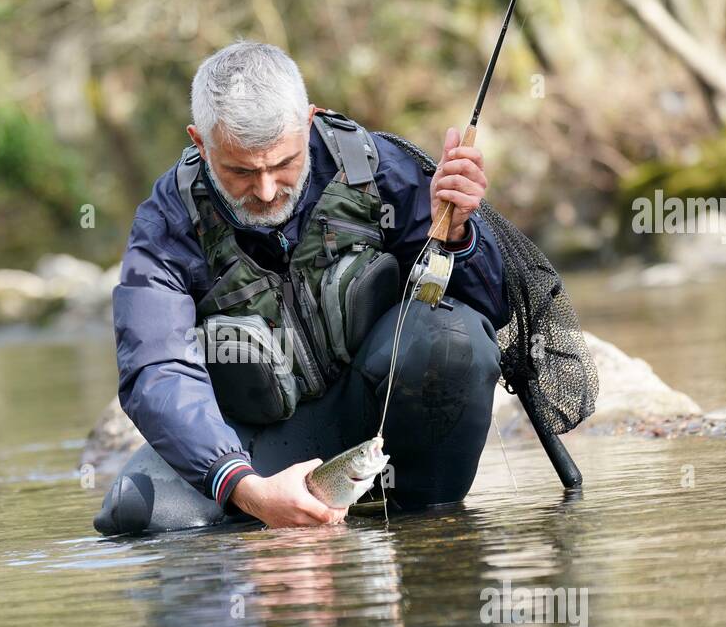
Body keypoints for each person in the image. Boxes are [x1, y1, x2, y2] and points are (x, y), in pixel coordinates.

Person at [94, 40, 508, 536]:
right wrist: (246, 488)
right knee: (136, 513)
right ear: (200, 143)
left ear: (309, 122)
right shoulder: (166, 223)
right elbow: (156, 369)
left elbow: (489, 308)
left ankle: (428, 532)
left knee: (453, 340)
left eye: (283, 163)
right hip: (257, 442)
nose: (266, 191)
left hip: (379, 418)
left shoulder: (376, 168)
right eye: (241, 171)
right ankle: (262, 557)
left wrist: (461, 235)